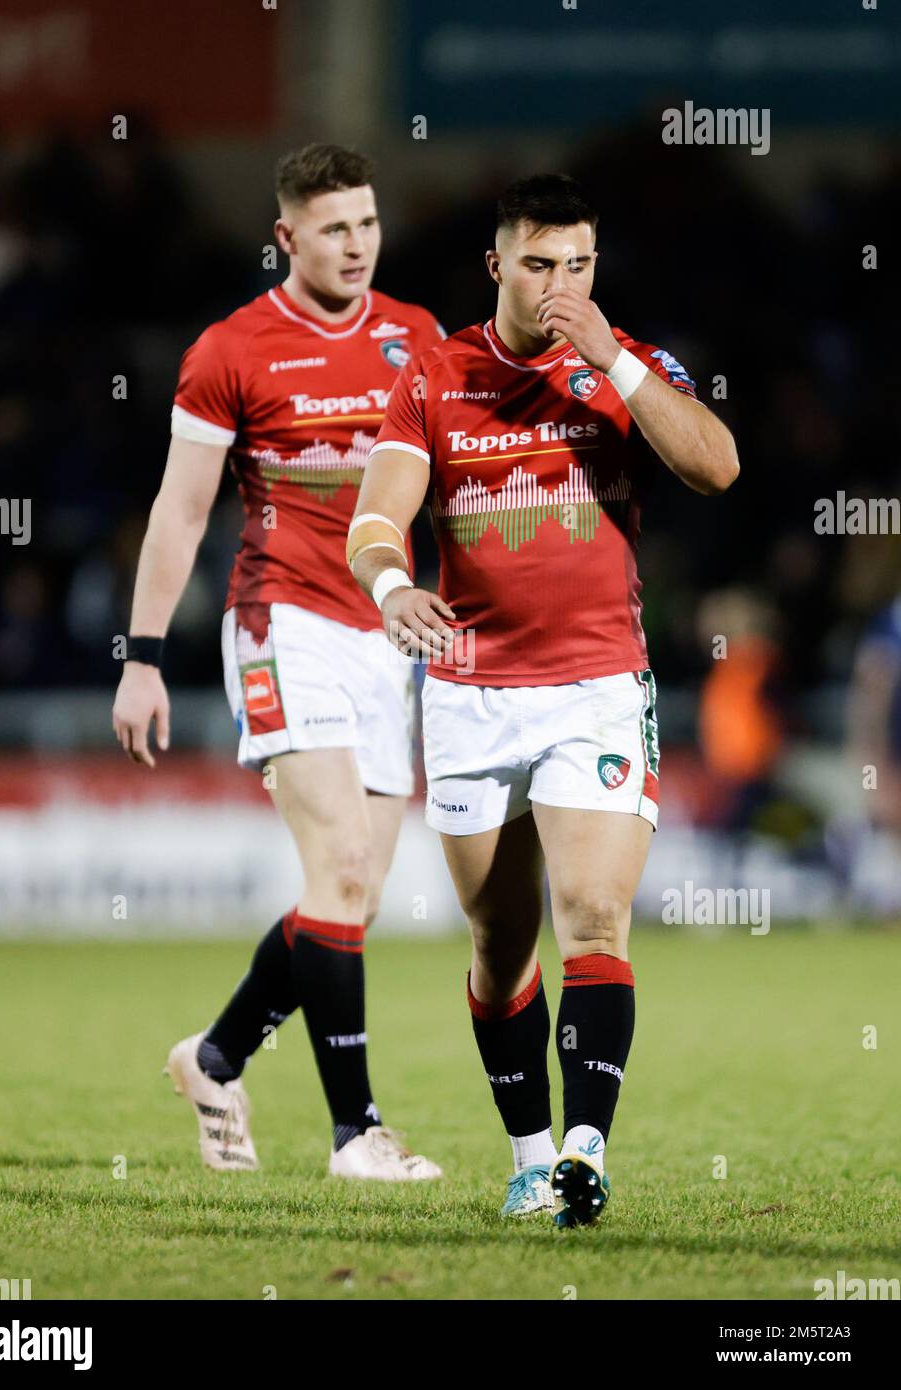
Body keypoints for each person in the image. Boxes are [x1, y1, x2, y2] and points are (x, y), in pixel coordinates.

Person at [348, 173, 739, 1225]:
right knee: (497, 941)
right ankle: (527, 1151)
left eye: (578, 263)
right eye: (538, 263)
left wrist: (609, 358)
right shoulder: (435, 372)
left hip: (597, 687)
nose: (560, 283)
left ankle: (583, 1147)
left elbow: (718, 466)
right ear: (496, 266)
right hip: (472, 696)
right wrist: (391, 588)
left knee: (596, 913)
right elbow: (376, 519)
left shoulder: (629, 366)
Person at [112, 144, 444, 1181]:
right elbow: (180, 507)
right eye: (334, 227)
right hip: (280, 621)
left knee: (354, 896)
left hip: (384, 636)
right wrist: (143, 655)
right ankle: (357, 1133)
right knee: (340, 866)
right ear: (286, 236)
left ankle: (214, 1058)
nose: (356, 244)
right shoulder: (233, 350)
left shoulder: (418, 339)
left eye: (368, 223)